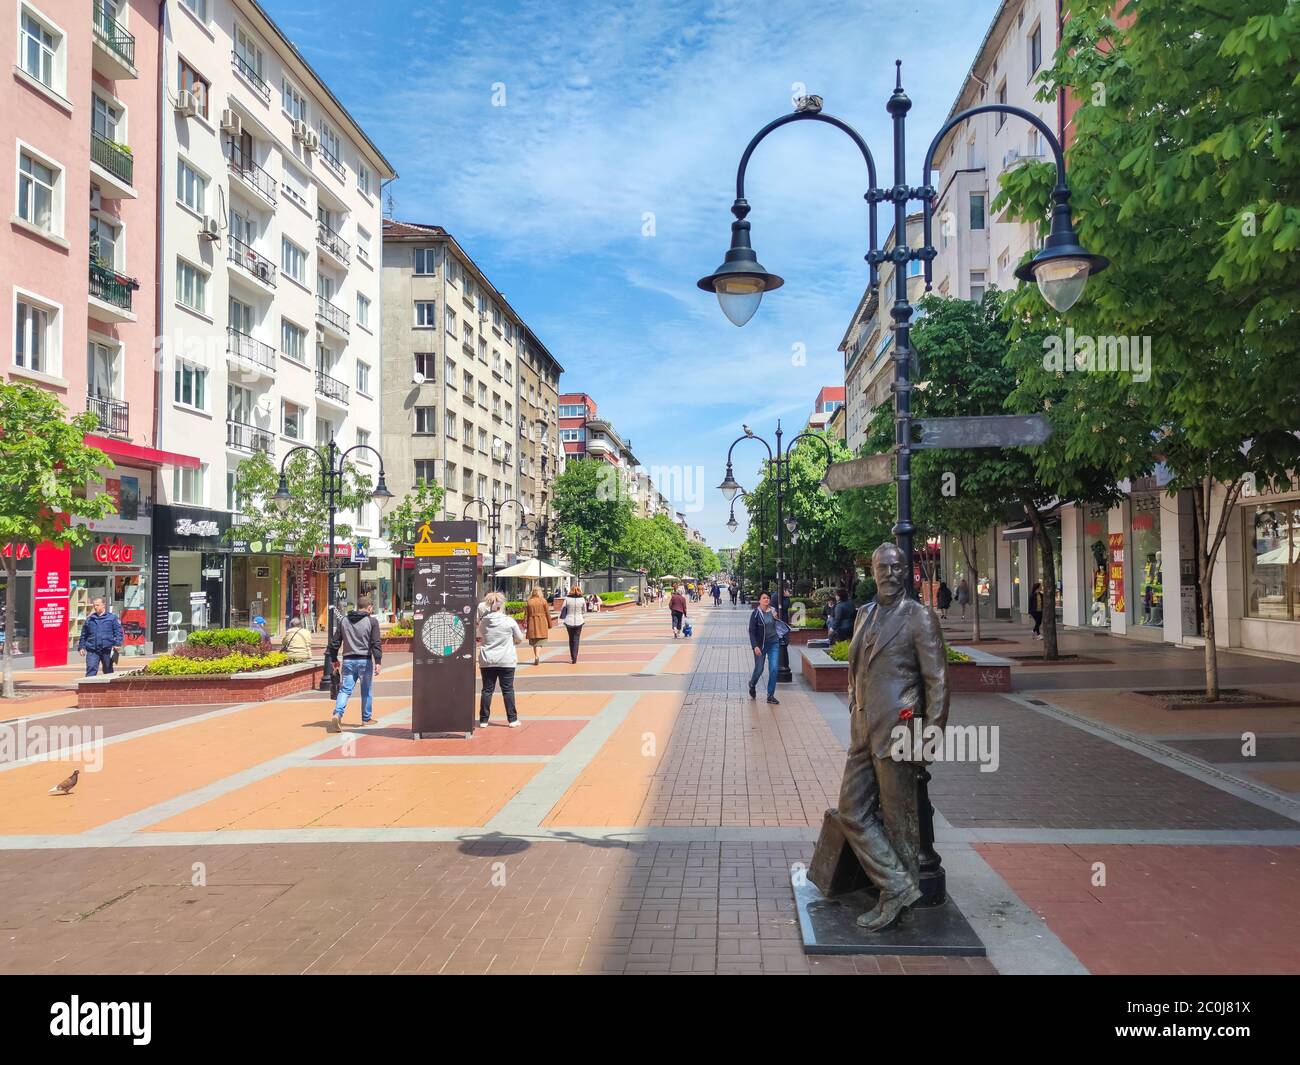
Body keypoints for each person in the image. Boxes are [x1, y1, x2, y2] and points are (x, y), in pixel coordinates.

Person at [809, 543, 949, 932]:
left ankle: (896, 902)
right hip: (862, 730)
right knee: (851, 811)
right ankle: (899, 885)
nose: (889, 573)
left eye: (896, 567)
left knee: (899, 822)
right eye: (882, 567)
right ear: (872, 571)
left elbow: (937, 682)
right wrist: (854, 708)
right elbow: (855, 670)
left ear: (905, 571)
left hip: (899, 731)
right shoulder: (864, 614)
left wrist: (929, 737)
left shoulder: (919, 617)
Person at [326, 595, 382, 732]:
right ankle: (366, 719)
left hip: (348, 660)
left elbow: (335, 642)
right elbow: (376, 643)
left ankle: (337, 714)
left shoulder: (344, 620)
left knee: (345, 690)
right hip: (365, 660)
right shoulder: (372, 622)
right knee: (366, 690)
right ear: (369, 607)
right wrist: (378, 661)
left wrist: (334, 659)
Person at [478, 591, 523, 727]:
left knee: (487, 690)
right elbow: (519, 637)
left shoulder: (483, 622)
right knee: (508, 689)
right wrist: (513, 642)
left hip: (487, 660)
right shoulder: (509, 621)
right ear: (501, 605)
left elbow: (480, 635)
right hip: (506, 659)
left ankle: (483, 720)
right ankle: (512, 719)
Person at [747, 591, 781, 705]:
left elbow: (779, 625)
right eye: (764, 598)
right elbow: (751, 631)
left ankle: (770, 695)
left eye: (768, 598)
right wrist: (755, 646)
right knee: (759, 669)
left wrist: (777, 619)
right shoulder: (756, 614)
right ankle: (752, 684)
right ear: (760, 600)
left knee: (774, 669)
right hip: (760, 645)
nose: (766, 600)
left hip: (774, 644)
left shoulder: (773, 611)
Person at [78, 596, 123, 676]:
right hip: (93, 650)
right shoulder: (90, 619)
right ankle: (89, 688)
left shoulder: (111, 618)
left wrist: (117, 643)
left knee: (108, 669)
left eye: (97, 605)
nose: (95, 607)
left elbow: (118, 632)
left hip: (107, 649)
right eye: (94, 605)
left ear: (103, 605)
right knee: (91, 668)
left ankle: (108, 688)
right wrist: (82, 647)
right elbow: (84, 634)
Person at [524, 586, 551, 666]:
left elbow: (526, 614)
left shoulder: (529, 601)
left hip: (532, 622)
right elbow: (547, 613)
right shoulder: (543, 601)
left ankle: (536, 656)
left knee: (534, 641)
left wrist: (525, 622)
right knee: (540, 641)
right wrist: (549, 624)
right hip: (542, 621)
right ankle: (537, 656)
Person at [560, 584, 586, 663]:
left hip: (569, 620)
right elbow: (584, 610)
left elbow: (562, 608)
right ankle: (575, 657)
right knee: (576, 639)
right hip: (579, 621)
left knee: (571, 639)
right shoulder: (582, 599)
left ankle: (572, 656)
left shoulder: (567, 599)